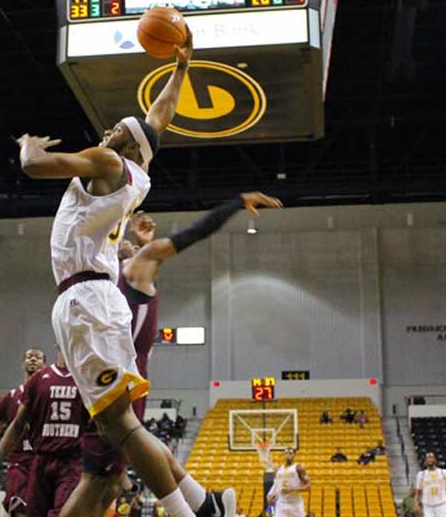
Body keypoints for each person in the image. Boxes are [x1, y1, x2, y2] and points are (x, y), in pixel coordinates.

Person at [21, 28, 236, 517]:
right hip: (85, 299)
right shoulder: (137, 169)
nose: (107, 131)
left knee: (121, 430)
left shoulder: (108, 160)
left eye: (116, 129)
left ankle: (195, 512)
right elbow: (158, 119)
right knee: (114, 430)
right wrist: (181, 69)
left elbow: (35, 166)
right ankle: (203, 504)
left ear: (126, 145)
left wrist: (27, 145)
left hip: (88, 300)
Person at [61, 193, 281, 517]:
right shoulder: (109, 282)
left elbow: (192, 233)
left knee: (98, 478)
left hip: (118, 383)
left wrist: (236, 202)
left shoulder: (136, 268)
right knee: (119, 464)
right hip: (109, 381)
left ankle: (195, 509)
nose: (125, 245)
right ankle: (206, 503)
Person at [0, 353, 86, 517]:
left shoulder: (86, 379)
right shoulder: (39, 380)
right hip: (40, 460)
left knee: (63, 512)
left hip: (70, 460)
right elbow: (17, 425)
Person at [0, 347, 46, 516]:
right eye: (29, 357)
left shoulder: (50, 394)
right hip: (20, 462)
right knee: (17, 507)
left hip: (44, 460)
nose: (33, 359)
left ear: (45, 365)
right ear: (22, 364)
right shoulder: (11, 397)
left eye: (38, 357)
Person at [266, 448, 309, 517]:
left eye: (290, 453)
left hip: (295, 503)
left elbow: (308, 486)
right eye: (286, 453)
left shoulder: (299, 468)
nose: (288, 455)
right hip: (281, 503)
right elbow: (276, 485)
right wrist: (271, 494)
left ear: (294, 455)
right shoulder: (278, 469)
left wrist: (293, 490)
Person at [413, 453, 446, 517]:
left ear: (435, 460)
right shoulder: (421, 475)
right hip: (427, 506)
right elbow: (418, 493)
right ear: (425, 461)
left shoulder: (444, 472)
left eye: (431, 457)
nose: (430, 459)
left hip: (442, 504)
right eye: (428, 458)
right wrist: (416, 505)